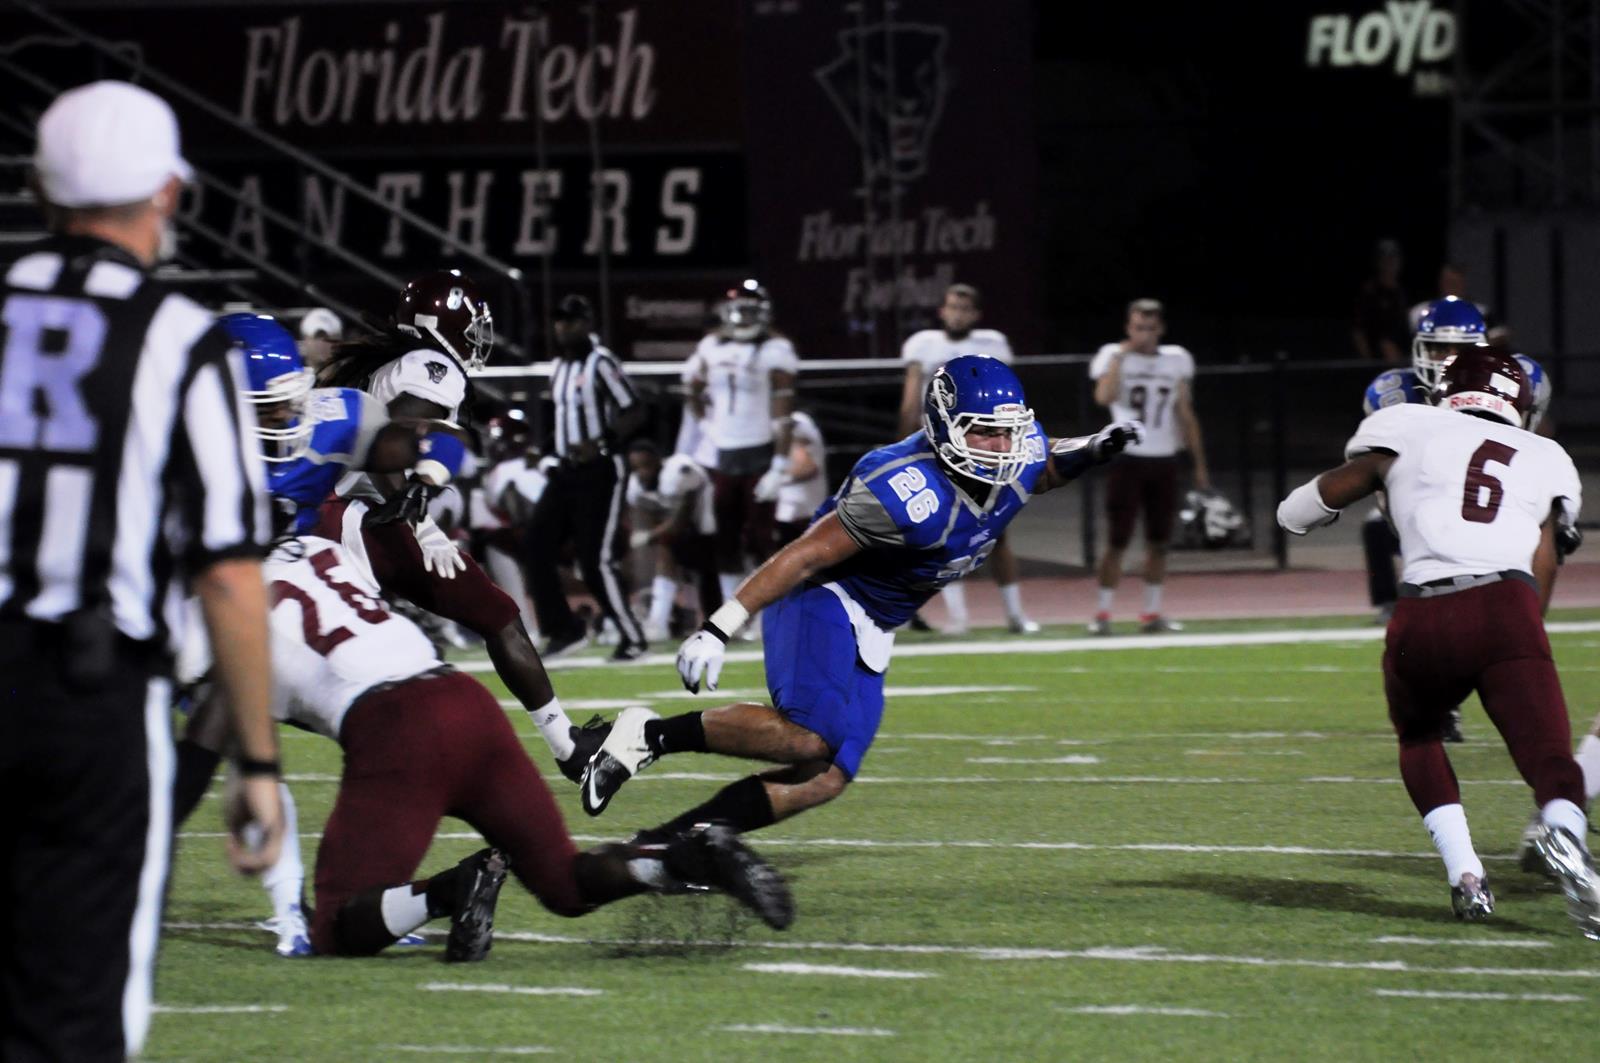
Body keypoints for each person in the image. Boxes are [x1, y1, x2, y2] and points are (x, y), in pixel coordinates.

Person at [2, 80, 283, 1060]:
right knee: (76, 1015)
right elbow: (228, 573)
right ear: (166, 193)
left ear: (41, 189)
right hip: (92, 696)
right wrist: (255, 760)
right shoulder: (178, 339)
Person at [578, 357, 1142, 837]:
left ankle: (679, 843)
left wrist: (1093, 448)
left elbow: (1042, 465)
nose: (999, 447)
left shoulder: (1014, 453)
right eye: (981, 432)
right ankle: (647, 735)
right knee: (812, 740)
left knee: (826, 778)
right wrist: (720, 626)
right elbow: (806, 555)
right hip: (825, 594)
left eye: (1007, 432)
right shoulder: (902, 485)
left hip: (877, 620)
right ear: (944, 426)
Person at [261, 534, 793, 958]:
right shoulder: (320, 547)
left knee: (331, 925)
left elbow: (255, 762)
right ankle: (683, 856)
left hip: (394, 727)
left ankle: (452, 890)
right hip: (465, 701)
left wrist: (286, 900)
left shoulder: (217, 606)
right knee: (565, 884)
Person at [1277, 348, 1598, 934]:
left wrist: (1303, 513)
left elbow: (1304, 507)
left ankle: (1465, 874)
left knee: (1419, 735)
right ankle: (1566, 832)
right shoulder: (1548, 455)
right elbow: (1546, 553)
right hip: (1507, 603)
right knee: (1549, 755)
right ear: (1518, 404)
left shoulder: (1407, 425)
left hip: (1421, 611)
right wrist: (1527, 629)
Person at [315, 273, 601, 783]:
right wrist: (418, 517)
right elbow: (393, 435)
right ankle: (568, 748)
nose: (475, 337)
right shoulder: (436, 366)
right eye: (470, 325)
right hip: (358, 517)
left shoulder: (392, 365)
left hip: (329, 517)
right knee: (498, 616)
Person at [898, 283, 1038, 635]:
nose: (957, 314)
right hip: (939, 448)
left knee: (1000, 532)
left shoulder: (992, 344)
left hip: (985, 447)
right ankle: (958, 618)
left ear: (975, 314)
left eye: (965, 308)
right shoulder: (923, 344)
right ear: (942, 311)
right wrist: (903, 443)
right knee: (944, 533)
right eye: (952, 307)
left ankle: (1015, 615)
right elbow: (911, 399)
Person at [522, 294, 649, 660]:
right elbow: (564, 421)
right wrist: (546, 450)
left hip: (601, 470)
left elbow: (634, 410)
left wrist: (602, 442)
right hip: (565, 471)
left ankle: (632, 637)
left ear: (588, 323)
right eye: (559, 321)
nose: (563, 327)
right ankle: (564, 629)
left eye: (571, 321)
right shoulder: (559, 367)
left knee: (595, 559)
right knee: (535, 544)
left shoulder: (601, 362)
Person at [1087, 298, 1210, 634]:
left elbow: (1185, 413)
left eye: (1151, 328)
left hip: (1164, 459)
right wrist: (1120, 357)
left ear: (1161, 329)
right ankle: (1101, 614)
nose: (1145, 334)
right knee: (1118, 540)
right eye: (1139, 327)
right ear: (1129, 328)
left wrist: (1199, 464)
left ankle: (1152, 613)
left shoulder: (1177, 359)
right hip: (1128, 458)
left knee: (1159, 541)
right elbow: (1104, 397)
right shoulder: (1113, 355)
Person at [684, 279, 799, 606]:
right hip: (725, 452)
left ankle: (774, 609)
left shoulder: (775, 350)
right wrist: (710, 426)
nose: (745, 319)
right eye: (740, 311)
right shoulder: (711, 347)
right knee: (726, 539)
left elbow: (783, 414)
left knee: (763, 539)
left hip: (760, 450)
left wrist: (779, 465)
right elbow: (691, 388)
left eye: (751, 311)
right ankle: (734, 611)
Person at [627, 439, 721, 642]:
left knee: (714, 574)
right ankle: (659, 622)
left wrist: (650, 535)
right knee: (665, 554)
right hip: (683, 528)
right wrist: (648, 534)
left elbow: (680, 520)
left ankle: (661, 621)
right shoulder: (636, 483)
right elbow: (645, 513)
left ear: (658, 461)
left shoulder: (678, 471)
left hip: (710, 521)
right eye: (637, 468)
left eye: (646, 466)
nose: (642, 472)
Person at [773, 409, 828, 548]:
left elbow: (807, 467)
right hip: (792, 511)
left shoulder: (796, 423)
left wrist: (777, 479)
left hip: (798, 511)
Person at [1353, 238, 1410, 363]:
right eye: (1385, 258)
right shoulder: (1370, 292)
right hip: (1378, 363)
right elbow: (1359, 332)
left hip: (1402, 359)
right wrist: (1368, 362)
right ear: (1378, 261)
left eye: (1394, 257)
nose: (1390, 262)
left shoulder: (1403, 292)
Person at [297, 305, 342, 372]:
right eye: (316, 338)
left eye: (326, 338)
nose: (321, 344)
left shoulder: (353, 377)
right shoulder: (292, 378)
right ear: (305, 341)